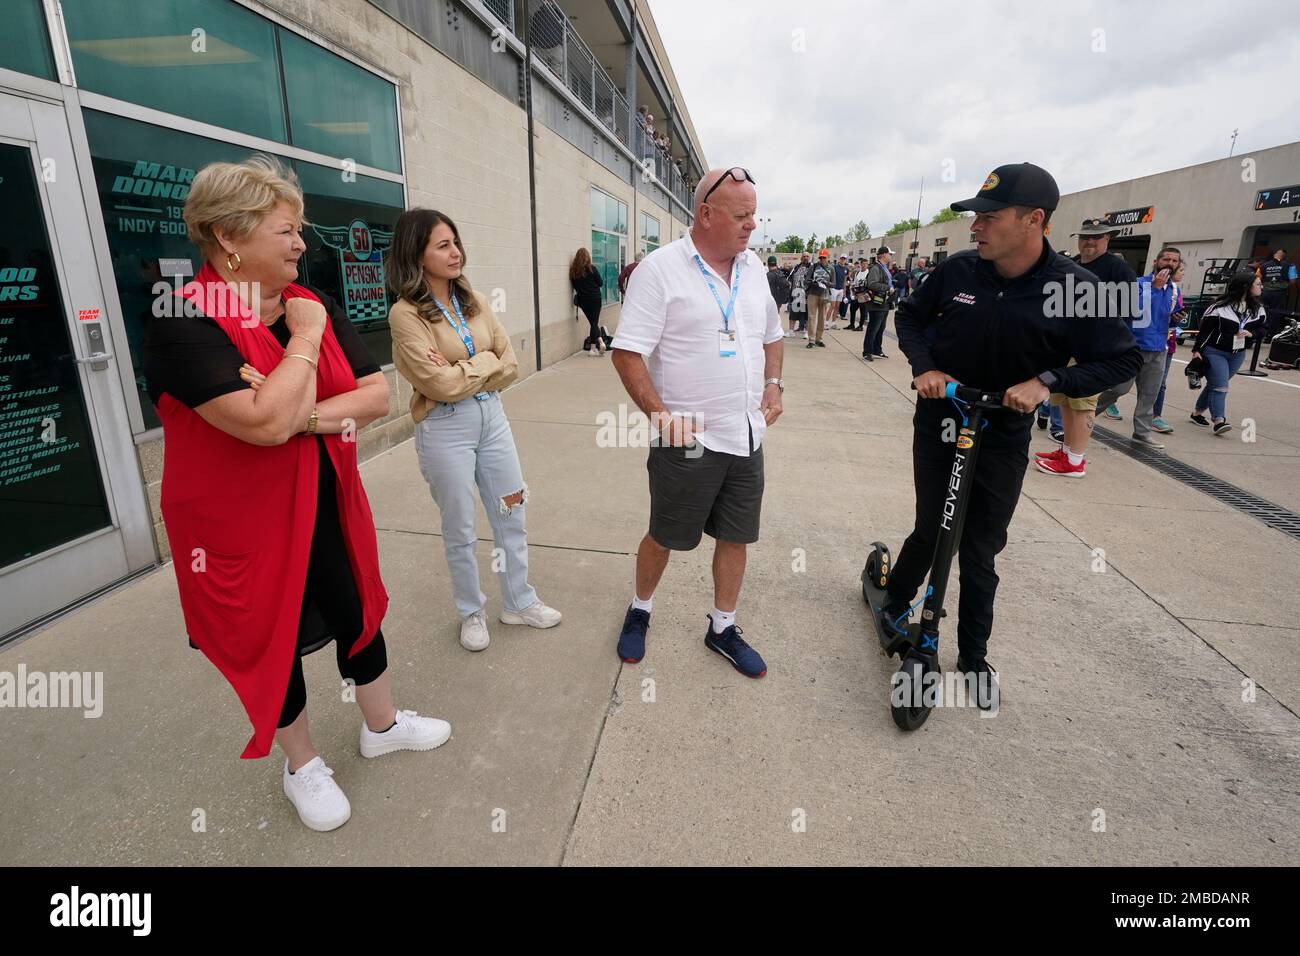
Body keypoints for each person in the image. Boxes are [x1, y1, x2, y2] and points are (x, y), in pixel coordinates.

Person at [144, 156, 450, 832]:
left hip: (325, 498)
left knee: (355, 605)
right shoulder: (183, 319)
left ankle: (382, 723)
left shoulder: (311, 303)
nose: (302, 244)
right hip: (237, 523)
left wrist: (298, 407)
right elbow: (260, 423)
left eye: (300, 230)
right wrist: (305, 350)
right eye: (285, 230)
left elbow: (375, 396)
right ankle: (302, 766)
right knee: (269, 632)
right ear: (228, 236)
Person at [887, 162, 1140, 707]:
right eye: (975, 216)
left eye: (989, 216)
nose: (975, 227)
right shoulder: (956, 272)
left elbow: (1124, 359)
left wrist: (1050, 381)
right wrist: (925, 367)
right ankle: (893, 603)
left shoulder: (1075, 288)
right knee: (932, 529)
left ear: (1034, 221)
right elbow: (908, 317)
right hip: (944, 418)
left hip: (1002, 430)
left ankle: (973, 654)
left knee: (980, 547)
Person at [610, 167, 785, 679]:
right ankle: (641, 608)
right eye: (742, 215)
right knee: (665, 533)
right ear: (705, 214)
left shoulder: (753, 269)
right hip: (687, 442)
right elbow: (627, 354)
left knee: (737, 536)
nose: (752, 225)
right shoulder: (661, 270)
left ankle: (722, 627)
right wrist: (661, 418)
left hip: (746, 436)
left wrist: (774, 385)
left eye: (755, 214)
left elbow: (773, 336)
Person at [387, 208, 562, 652]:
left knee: (512, 509)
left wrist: (469, 368)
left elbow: (512, 365)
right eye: (442, 245)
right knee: (460, 527)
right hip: (446, 429)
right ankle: (471, 611)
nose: (455, 252)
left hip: (492, 417)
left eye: (456, 242)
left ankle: (519, 601)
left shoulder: (476, 301)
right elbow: (439, 385)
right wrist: (485, 364)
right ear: (417, 253)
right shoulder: (406, 315)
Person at [1035, 217, 1138, 477]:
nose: (1089, 242)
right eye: (1085, 237)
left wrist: (1113, 349)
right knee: (1065, 401)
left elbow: (1127, 313)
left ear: (1108, 239)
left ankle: (1075, 460)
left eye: (1096, 237)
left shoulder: (1118, 269)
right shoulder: (1073, 265)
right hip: (1065, 346)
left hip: (1094, 348)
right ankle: (1067, 450)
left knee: (1083, 403)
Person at [1093, 247, 1182, 448]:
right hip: (1133, 346)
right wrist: (1155, 288)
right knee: (1118, 388)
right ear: (1156, 262)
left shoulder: (1174, 290)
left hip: (1158, 347)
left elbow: (1167, 317)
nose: (1169, 263)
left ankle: (1142, 432)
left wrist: (1176, 319)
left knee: (1150, 392)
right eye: (1166, 259)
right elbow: (1134, 309)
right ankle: (1086, 416)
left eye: (1174, 261)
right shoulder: (1139, 284)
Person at [1190, 270, 1267, 434]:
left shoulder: (1258, 309)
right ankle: (1219, 420)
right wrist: (1197, 351)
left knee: (1215, 384)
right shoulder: (1218, 307)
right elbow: (1205, 331)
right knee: (1221, 386)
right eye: (1258, 284)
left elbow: (1264, 329)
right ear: (1246, 286)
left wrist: (1252, 333)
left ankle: (1197, 413)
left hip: (1238, 354)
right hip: (1214, 351)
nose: (1262, 287)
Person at [1150, 262, 1187, 434]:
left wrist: (1176, 319)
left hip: (1166, 342)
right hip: (1142, 341)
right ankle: (1109, 402)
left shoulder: (1175, 292)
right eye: (1181, 270)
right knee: (1123, 381)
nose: (1182, 273)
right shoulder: (1143, 284)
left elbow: (1171, 317)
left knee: (1160, 383)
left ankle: (1155, 416)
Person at [570, 247, 609, 355]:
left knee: (593, 322)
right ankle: (595, 347)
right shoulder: (592, 269)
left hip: (583, 301)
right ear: (588, 257)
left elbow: (575, 287)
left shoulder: (573, 271)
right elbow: (600, 283)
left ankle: (595, 346)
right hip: (595, 299)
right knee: (594, 322)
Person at [863, 245, 894, 360]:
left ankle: (877, 349)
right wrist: (887, 287)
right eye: (890, 254)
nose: (891, 256)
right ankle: (867, 351)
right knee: (874, 327)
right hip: (877, 302)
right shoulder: (876, 267)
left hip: (884, 302)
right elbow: (871, 283)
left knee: (881, 327)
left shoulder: (883, 267)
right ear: (884, 254)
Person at [1259, 248, 1297, 341]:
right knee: (1276, 314)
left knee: (1262, 312)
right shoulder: (1290, 265)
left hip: (1265, 292)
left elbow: (1257, 278)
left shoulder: (1263, 266)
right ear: (1284, 256)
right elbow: (1293, 281)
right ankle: (1269, 336)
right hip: (1279, 293)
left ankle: (1259, 335)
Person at [805, 249, 832, 348]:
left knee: (822, 317)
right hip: (813, 293)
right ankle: (811, 340)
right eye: (820, 257)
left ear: (827, 257)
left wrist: (826, 283)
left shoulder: (831, 268)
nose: (822, 259)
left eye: (824, 257)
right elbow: (807, 280)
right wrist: (814, 282)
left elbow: (834, 283)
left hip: (824, 295)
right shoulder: (814, 267)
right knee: (811, 317)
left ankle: (819, 338)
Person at [788, 252, 811, 337]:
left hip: (807, 294)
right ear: (801, 257)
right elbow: (790, 278)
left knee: (807, 314)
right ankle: (791, 331)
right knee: (793, 313)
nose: (805, 257)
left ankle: (807, 332)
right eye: (804, 256)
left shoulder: (812, 267)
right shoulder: (796, 267)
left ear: (809, 257)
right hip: (796, 293)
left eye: (807, 256)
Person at [847, 256, 870, 331]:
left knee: (863, 311)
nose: (864, 265)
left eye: (866, 264)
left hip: (864, 294)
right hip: (856, 293)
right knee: (852, 309)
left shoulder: (869, 273)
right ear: (860, 264)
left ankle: (860, 326)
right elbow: (854, 282)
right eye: (863, 264)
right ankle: (852, 324)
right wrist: (853, 291)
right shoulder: (857, 272)